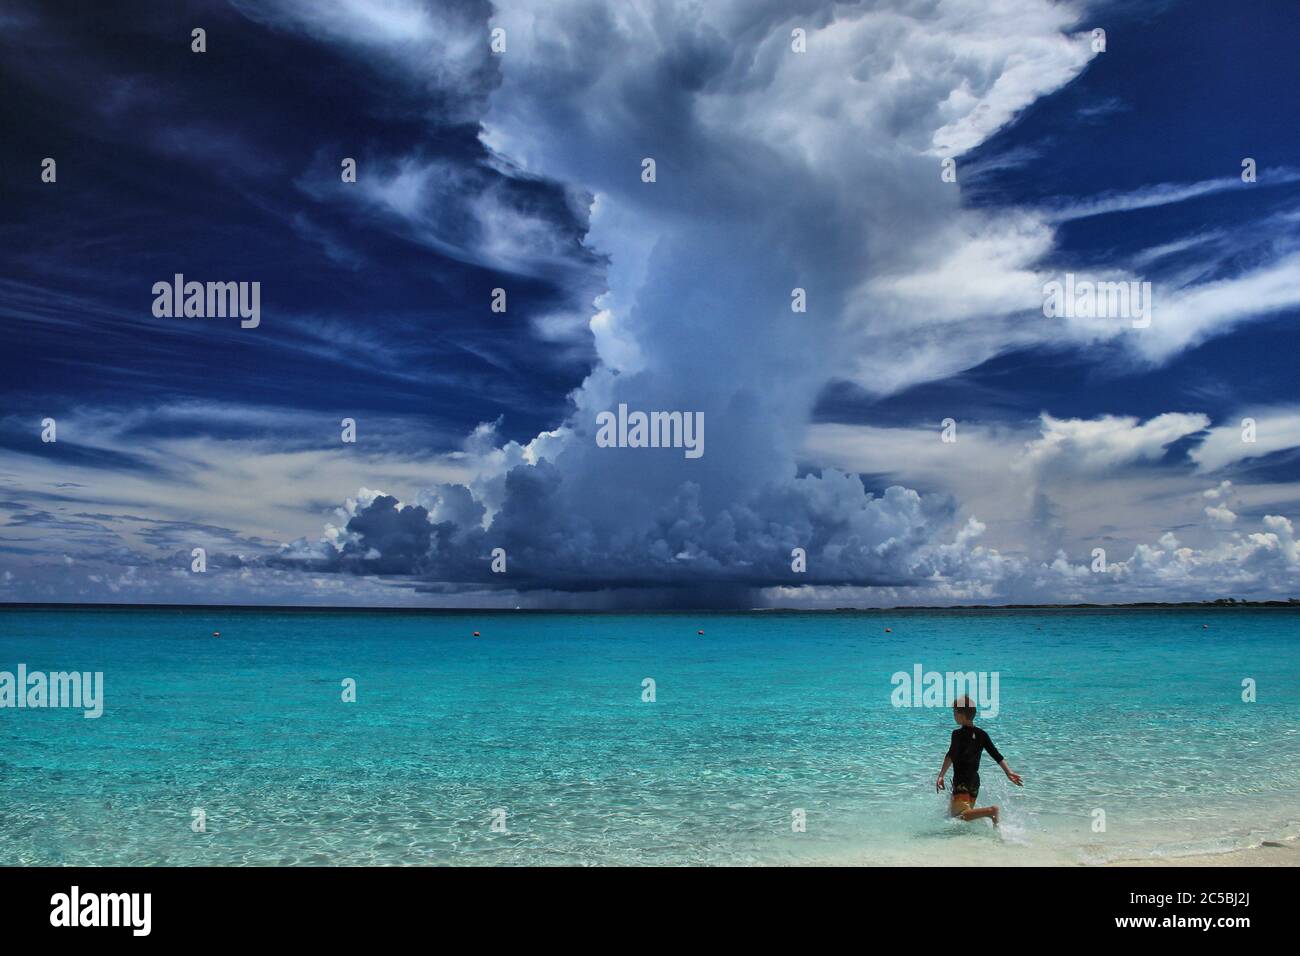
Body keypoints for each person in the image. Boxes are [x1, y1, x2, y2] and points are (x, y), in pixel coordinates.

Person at [935, 695, 1022, 825]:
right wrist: (1008, 772)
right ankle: (991, 817)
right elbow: (996, 755)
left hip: (962, 781)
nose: (953, 715)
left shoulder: (956, 734)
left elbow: (950, 755)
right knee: (956, 814)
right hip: (974, 782)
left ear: (961, 715)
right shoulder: (982, 734)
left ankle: (991, 811)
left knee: (959, 816)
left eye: (954, 712)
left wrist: (941, 775)